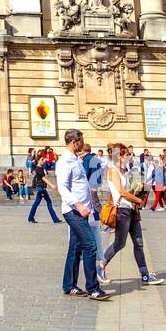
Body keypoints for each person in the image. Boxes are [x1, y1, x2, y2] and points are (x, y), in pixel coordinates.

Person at [98, 144, 164, 287]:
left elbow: (129, 189)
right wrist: (137, 199)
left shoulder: (124, 171)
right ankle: (101, 266)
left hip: (131, 210)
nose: (129, 156)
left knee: (139, 243)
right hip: (121, 210)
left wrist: (139, 187)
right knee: (119, 243)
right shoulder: (112, 171)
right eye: (126, 154)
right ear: (119, 156)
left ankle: (145, 275)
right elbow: (121, 192)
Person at [58, 129, 109, 301]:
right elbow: (62, 187)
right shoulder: (65, 161)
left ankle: (69, 285)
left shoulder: (75, 159)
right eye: (81, 140)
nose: (83, 143)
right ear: (75, 142)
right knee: (90, 245)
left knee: (76, 248)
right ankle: (93, 288)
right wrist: (79, 205)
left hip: (82, 210)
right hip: (74, 211)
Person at [27, 155, 60, 223]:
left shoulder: (40, 168)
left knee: (44, 203)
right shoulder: (38, 168)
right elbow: (43, 178)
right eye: (42, 160)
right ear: (38, 161)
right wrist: (52, 185)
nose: (43, 161)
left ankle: (31, 218)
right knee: (41, 203)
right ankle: (31, 218)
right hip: (41, 189)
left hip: (42, 189)